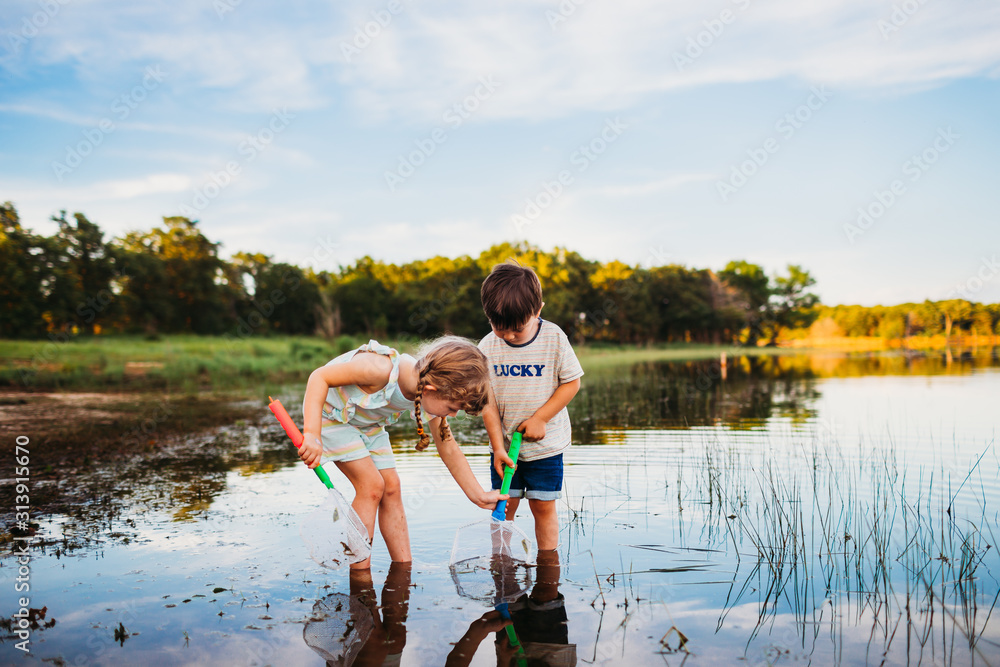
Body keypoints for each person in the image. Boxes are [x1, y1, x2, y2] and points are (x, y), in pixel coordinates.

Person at [298, 337, 506, 569]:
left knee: (392, 487)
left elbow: (448, 446)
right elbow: (319, 376)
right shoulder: (378, 369)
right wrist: (312, 435)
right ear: (431, 390)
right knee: (371, 486)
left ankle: (404, 566)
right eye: (453, 408)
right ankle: (360, 572)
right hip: (330, 417)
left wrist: (477, 495)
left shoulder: (426, 389)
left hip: (367, 425)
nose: (454, 415)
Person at [478, 262, 584, 551]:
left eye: (516, 329)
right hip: (504, 450)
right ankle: (501, 564)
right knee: (503, 507)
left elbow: (571, 383)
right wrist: (497, 446)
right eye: (499, 328)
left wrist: (541, 418)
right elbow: (486, 403)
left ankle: (548, 570)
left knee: (542, 508)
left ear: (537, 311)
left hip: (545, 448)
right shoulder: (487, 347)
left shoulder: (554, 338)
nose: (508, 336)